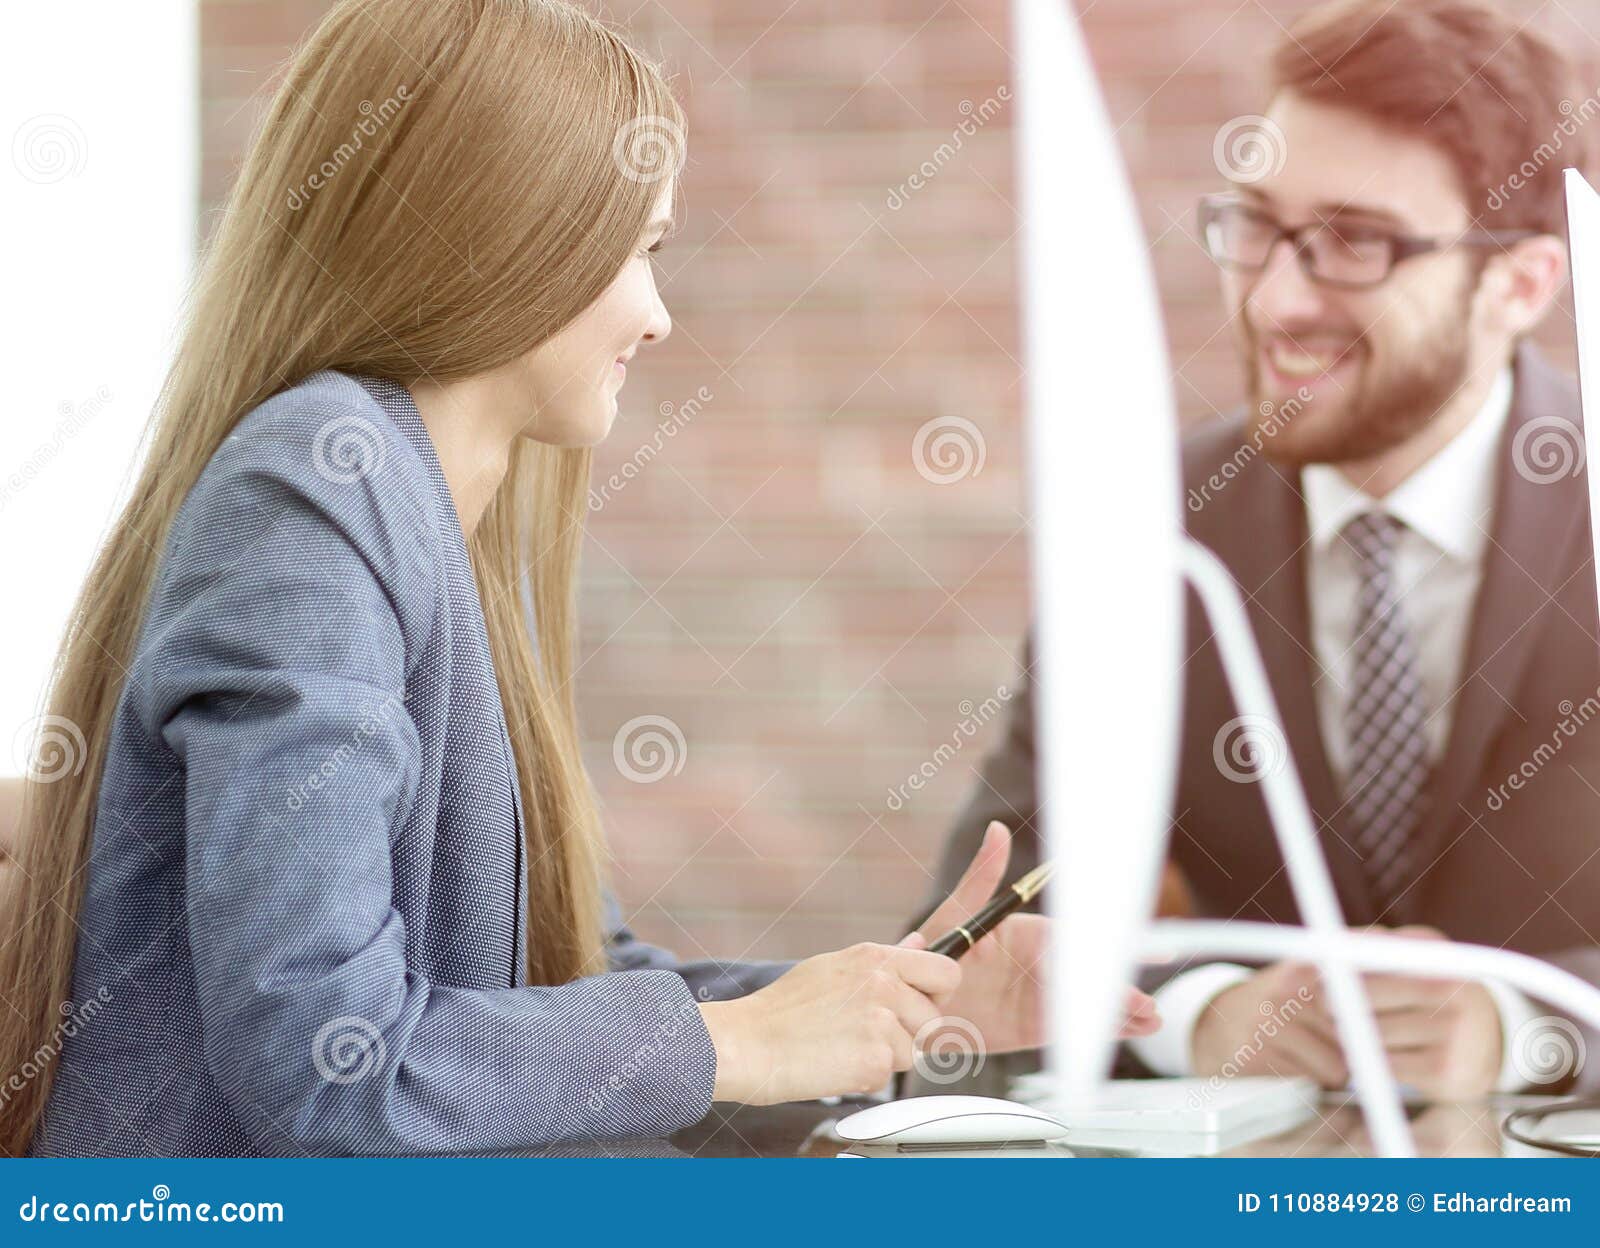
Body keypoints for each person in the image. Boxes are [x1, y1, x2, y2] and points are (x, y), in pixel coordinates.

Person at [2, 0, 1156, 1158]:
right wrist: (745, 1042)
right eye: (641, 250)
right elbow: (331, 1061)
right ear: (512, 232)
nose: (654, 320)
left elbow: (564, 987)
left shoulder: (439, 528)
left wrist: (899, 1011)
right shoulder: (316, 491)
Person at [922, 0, 1600, 1100]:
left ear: (1518, 285)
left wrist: (1531, 1030)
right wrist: (1191, 1013)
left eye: (1356, 242)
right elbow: (968, 937)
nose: (1277, 300)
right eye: (1258, 227)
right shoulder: (1148, 526)